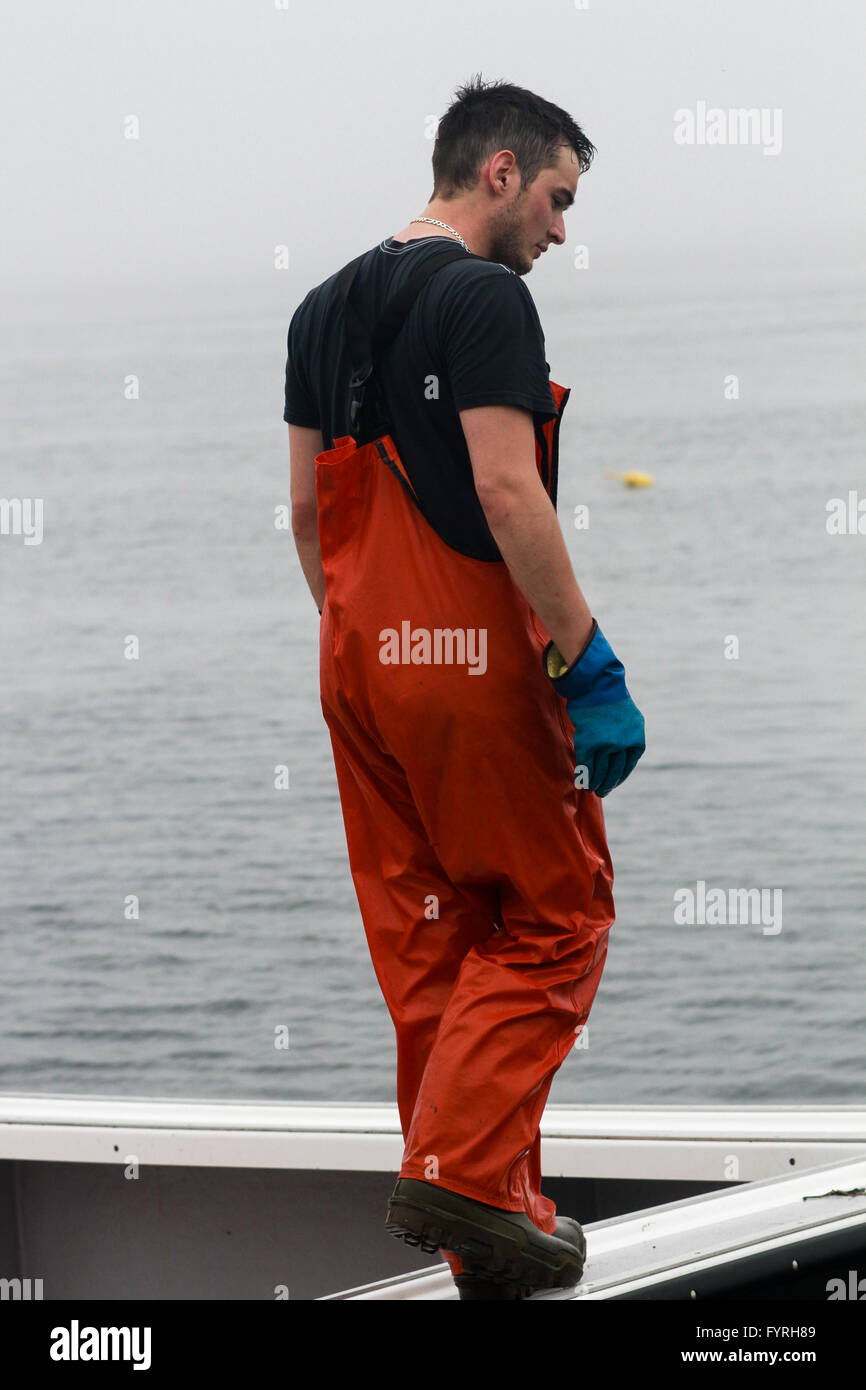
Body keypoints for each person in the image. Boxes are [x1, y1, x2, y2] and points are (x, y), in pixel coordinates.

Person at [284, 75, 645, 1300]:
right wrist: (587, 663)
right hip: (465, 660)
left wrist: (373, 660)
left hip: (355, 664)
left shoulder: (318, 309)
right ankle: (463, 1175)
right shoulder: (486, 298)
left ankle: (491, 1227)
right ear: (497, 171)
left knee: (432, 950)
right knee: (555, 919)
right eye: (554, 197)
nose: (558, 229)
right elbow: (505, 491)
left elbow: (300, 517)